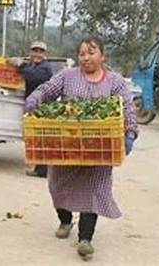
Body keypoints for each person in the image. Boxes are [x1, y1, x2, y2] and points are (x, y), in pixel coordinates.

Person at [24, 36, 138, 260]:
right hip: (67, 144)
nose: (86, 58)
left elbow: (127, 107)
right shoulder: (67, 76)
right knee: (58, 185)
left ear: (102, 56)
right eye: (82, 54)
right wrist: (34, 99)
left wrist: (130, 132)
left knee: (94, 189)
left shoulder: (114, 81)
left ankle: (85, 238)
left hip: (100, 148)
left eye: (91, 52)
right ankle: (65, 221)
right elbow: (47, 89)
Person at [13, 41, 53, 178]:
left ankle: (42, 170)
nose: (37, 54)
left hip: (43, 108)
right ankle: (40, 168)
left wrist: (21, 65)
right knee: (37, 138)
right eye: (35, 51)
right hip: (35, 107)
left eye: (40, 52)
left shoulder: (45, 68)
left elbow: (33, 76)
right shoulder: (33, 65)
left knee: (42, 138)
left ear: (45, 54)